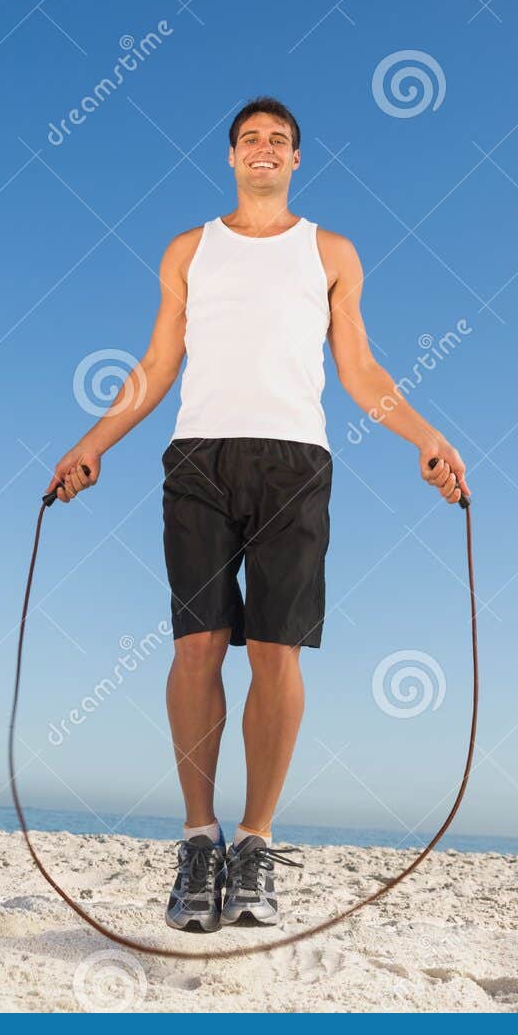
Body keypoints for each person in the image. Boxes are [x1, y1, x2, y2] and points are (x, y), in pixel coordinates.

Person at [46, 97, 469, 933]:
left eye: (278, 140)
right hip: (199, 458)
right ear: (231, 158)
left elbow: (356, 365)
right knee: (196, 644)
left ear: (296, 160)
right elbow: (159, 362)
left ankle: (254, 846)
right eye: (250, 140)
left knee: (277, 654)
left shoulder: (330, 251)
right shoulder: (189, 250)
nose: (263, 149)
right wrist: (91, 443)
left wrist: (424, 436)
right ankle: (198, 841)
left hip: (294, 463)